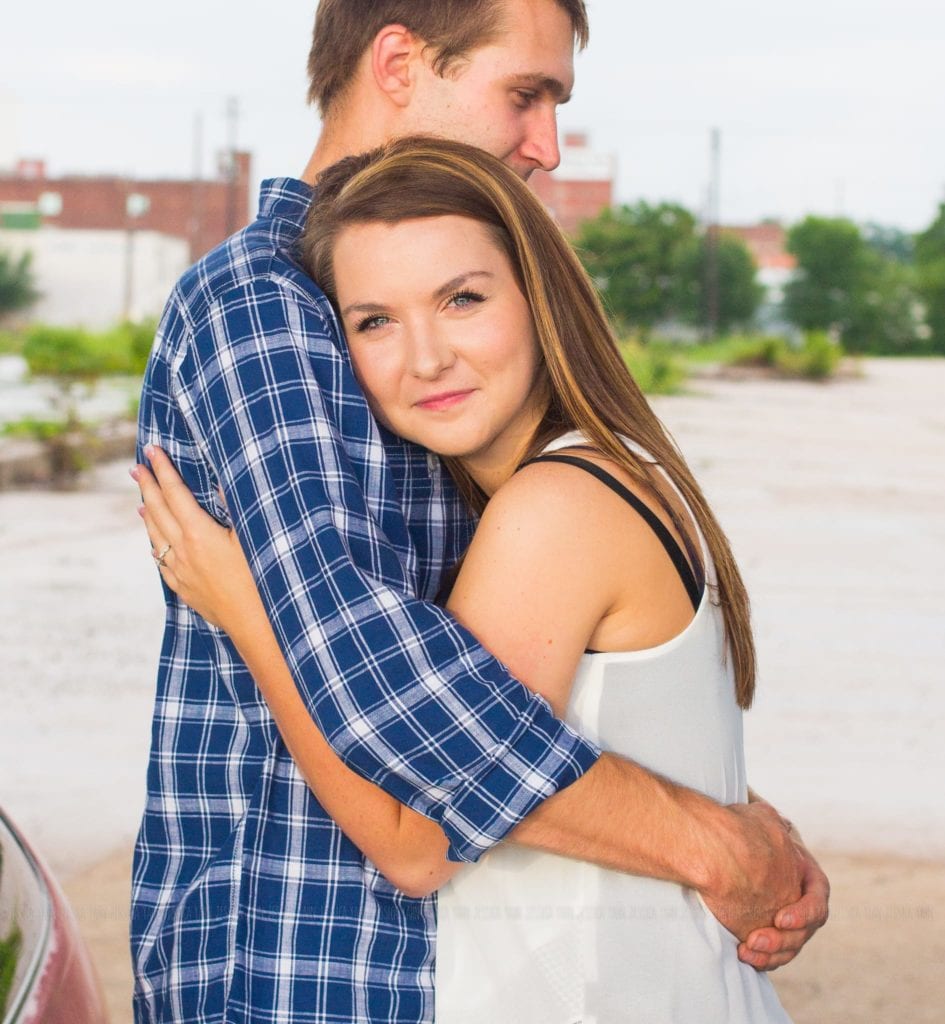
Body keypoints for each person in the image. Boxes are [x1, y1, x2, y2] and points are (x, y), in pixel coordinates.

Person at [130, 1, 827, 1021]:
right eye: (524, 93)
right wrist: (711, 838)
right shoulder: (269, 304)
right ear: (401, 63)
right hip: (297, 956)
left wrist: (723, 810)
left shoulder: (548, 472)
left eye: (463, 300)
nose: (544, 144)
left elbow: (509, 684)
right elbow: (387, 674)